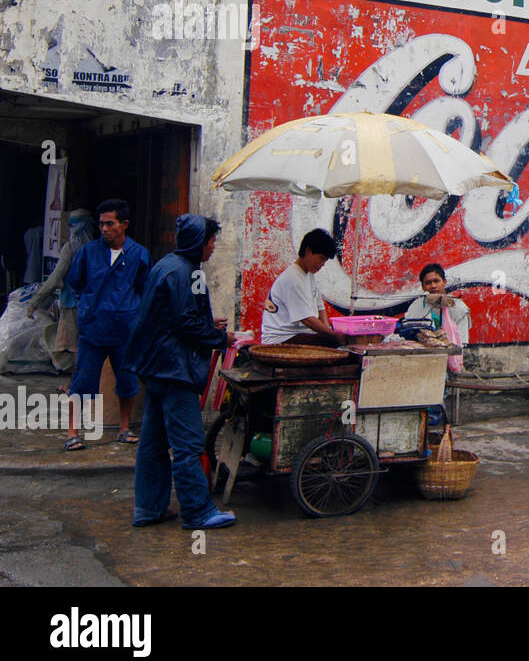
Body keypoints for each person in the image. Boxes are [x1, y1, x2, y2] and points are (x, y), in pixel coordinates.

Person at [125, 214, 237, 530]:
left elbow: (174, 316)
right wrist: (221, 338)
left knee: (153, 444)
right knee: (187, 444)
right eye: (211, 241)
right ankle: (197, 511)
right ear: (198, 242)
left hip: (157, 369)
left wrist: (206, 326)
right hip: (175, 369)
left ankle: (148, 508)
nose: (213, 247)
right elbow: (185, 323)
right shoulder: (185, 272)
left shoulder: (168, 265)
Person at [62, 199, 151, 452]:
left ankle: (124, 429)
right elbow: (75, 282)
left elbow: (145, 289)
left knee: (127, 381)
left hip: (125, 330)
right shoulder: (88, 252)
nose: (103, 229)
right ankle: (72, 432)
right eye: (101, 224)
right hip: (93, 329)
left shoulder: (139, 254)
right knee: (81, 381)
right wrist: (88, 305)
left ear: (124, 224)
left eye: (109, 224)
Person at [27, 208, 95, 372]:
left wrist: (35, 302)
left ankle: (75, 382)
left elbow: (55, 277)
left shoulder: (70, 248)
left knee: (74, 346)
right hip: (92, 303)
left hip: (72, 303)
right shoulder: (97, 248)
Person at [261, 228, 344, 345]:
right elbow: (307, 319)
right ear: (308, 251)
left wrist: (328, 331)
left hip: (297, 334)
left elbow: (320, 307)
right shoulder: (293, 278)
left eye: (325, 261)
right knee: (339, 343)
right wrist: (333, 336)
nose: (322, 265)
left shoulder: (308, 274)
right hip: (282, 339)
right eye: (321, 259)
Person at [404, 263, 471, 343]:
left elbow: (462, 340)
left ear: (444, 282)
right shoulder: (417, 305)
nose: (433, 286)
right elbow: (410, 331)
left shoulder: (458, 307)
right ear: (423, 287)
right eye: (428, 283)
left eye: (436, 281)